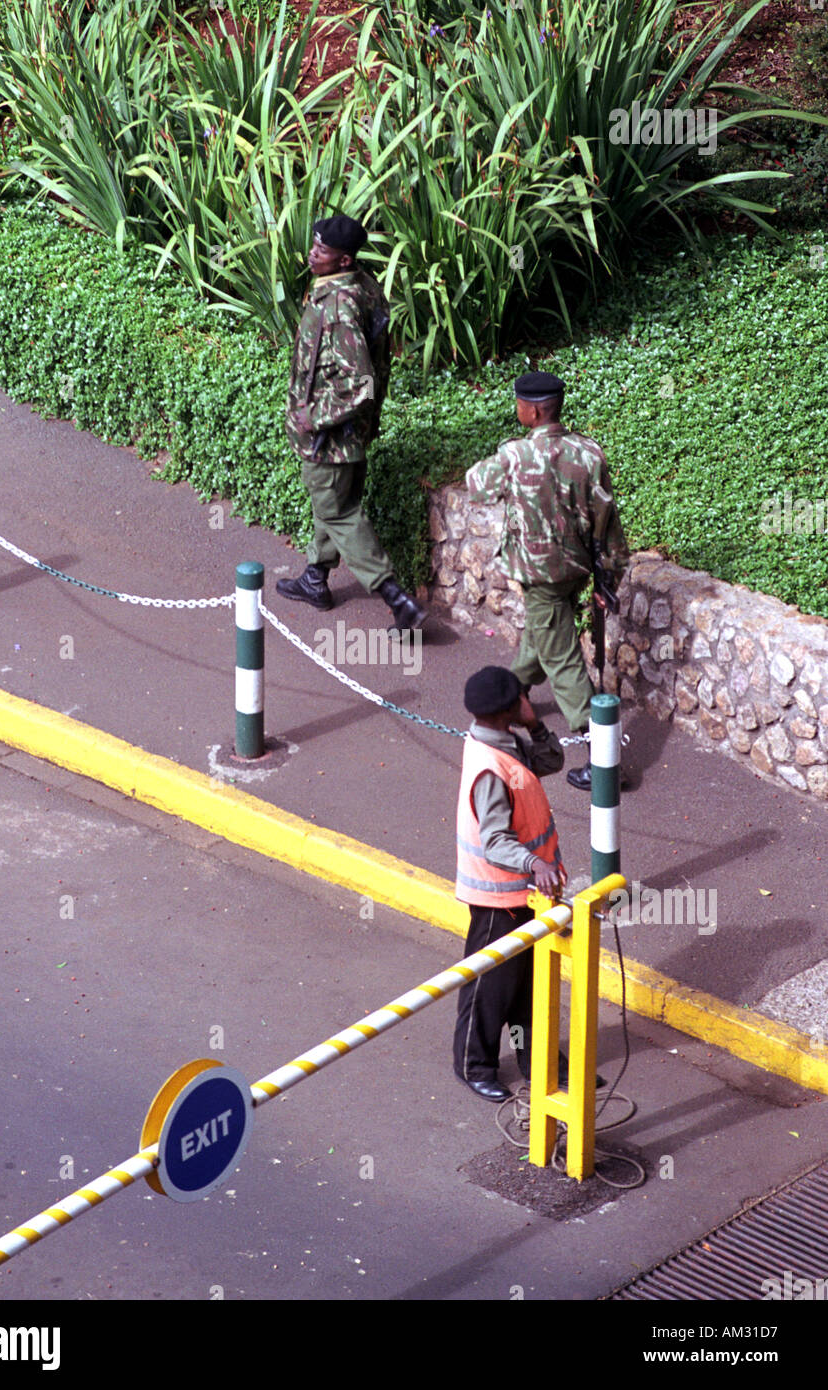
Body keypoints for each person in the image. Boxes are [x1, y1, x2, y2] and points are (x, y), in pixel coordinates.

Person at [465, 371, 629, 790]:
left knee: (563, 662)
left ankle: (603, 756)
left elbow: (476, 485)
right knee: (543, 637)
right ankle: (512, 692)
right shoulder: (588, 453)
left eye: (520, 403)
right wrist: (609, 572)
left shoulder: (515, 455)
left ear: (534, 410)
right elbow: (606, 518)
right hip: (576, 570)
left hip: (540, 575)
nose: (518, 408)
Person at [278, 214, 426, 631]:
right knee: (334, 503)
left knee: (339, 512)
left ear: (343, 260)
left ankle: (397, 600)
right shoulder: (359, 285)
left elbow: (360, 384)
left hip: (331, 436)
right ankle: (316, 578)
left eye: (322, 251)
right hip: (349, 436)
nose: (312, 254)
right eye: (314, 245)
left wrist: (314, 417)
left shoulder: (340, 307)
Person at [453, 665, 566, 1102]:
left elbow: (552, 762)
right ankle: (472, 1064)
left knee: (528, 988)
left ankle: (539, 1066)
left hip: (527, 893)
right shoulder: (490, 768)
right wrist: (534, 863)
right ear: (507, 708)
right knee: (489, 988)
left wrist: (536, 726)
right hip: (497, 896)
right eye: (523, 698)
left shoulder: (508, 741)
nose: (529, 701)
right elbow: (496, 840)